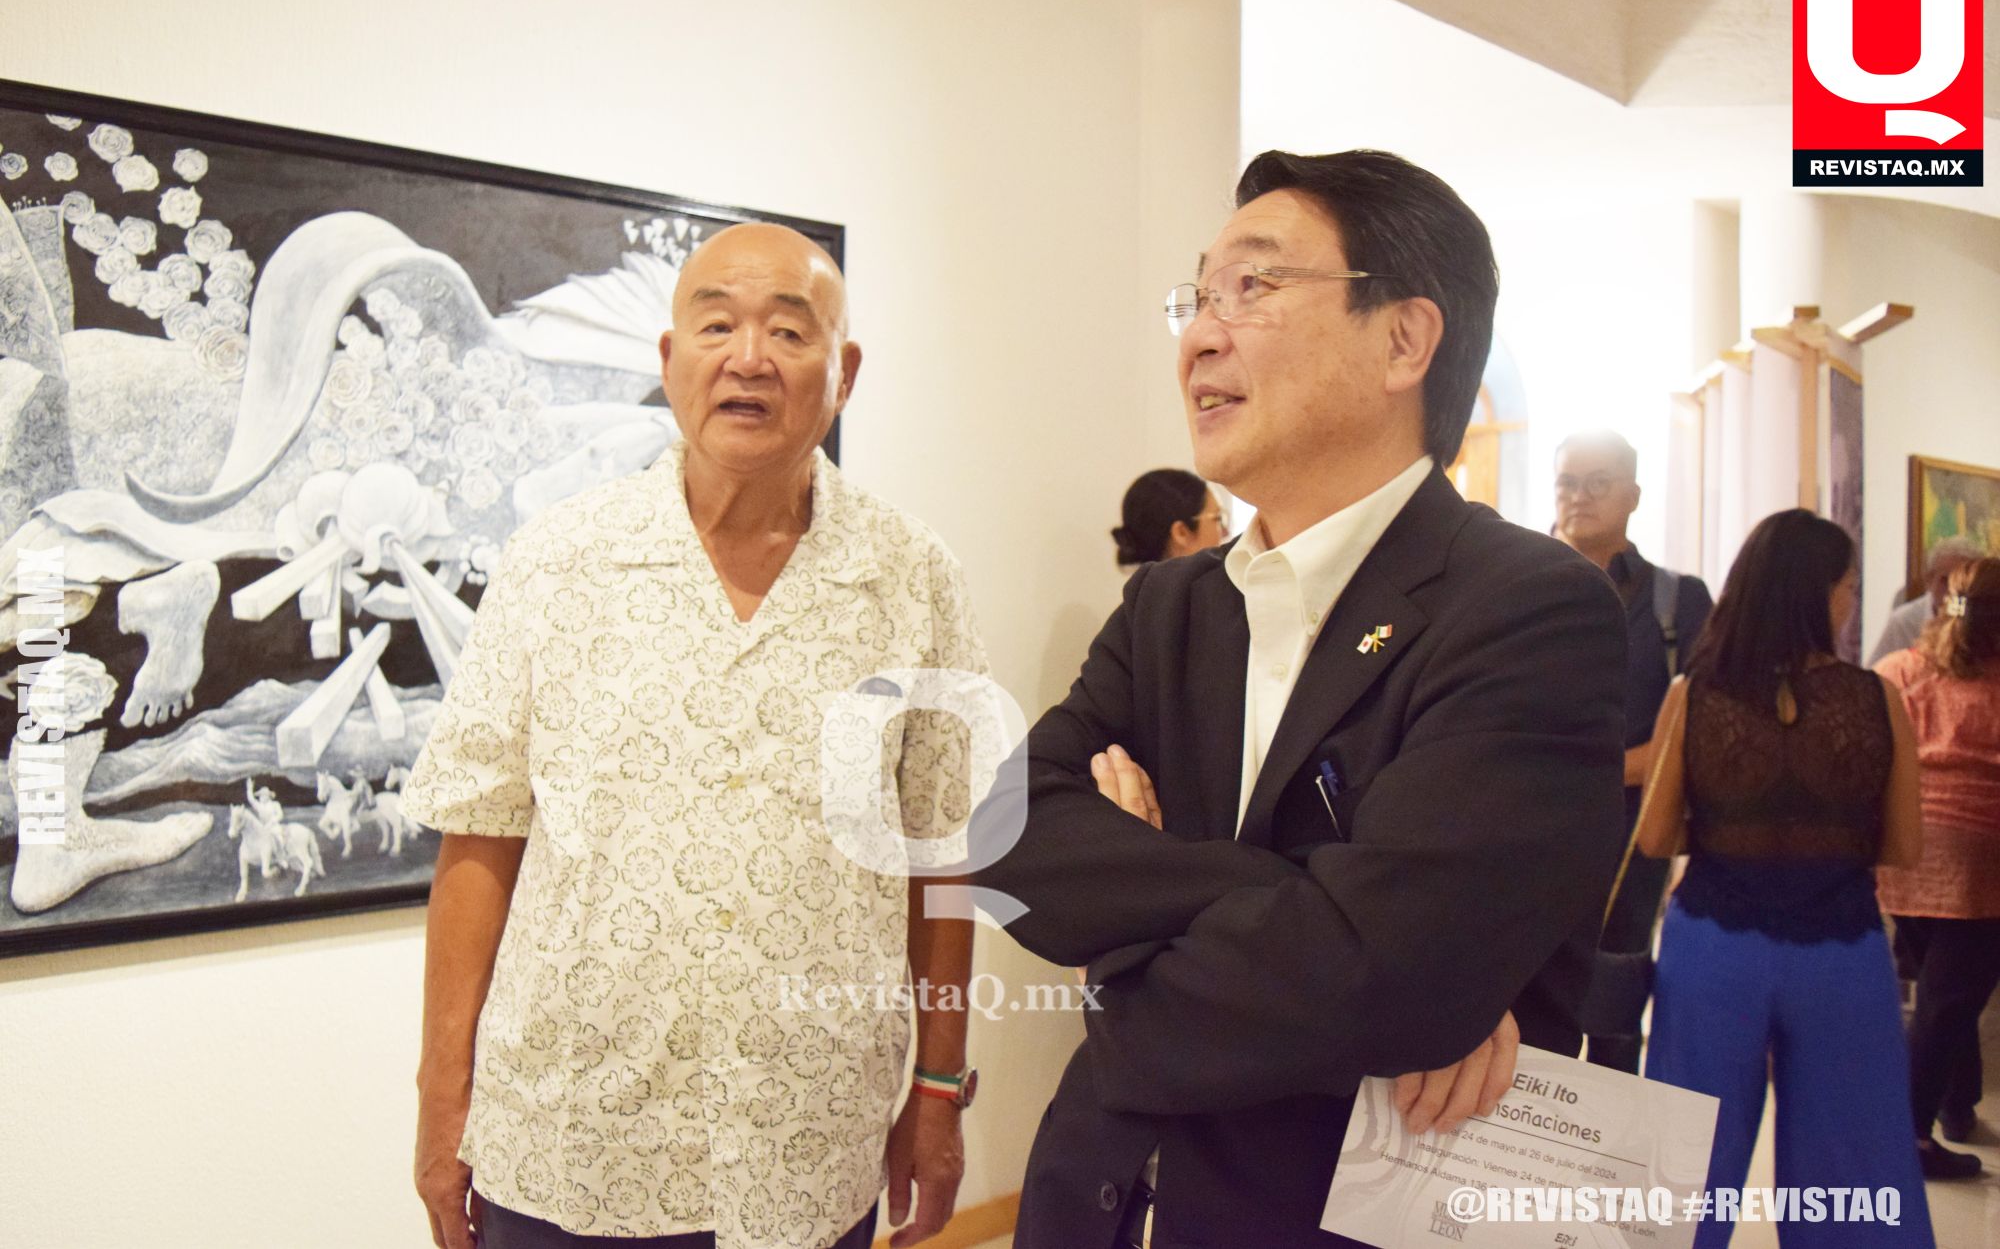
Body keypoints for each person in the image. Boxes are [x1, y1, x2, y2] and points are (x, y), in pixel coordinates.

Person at [973, 149, 1627, 1249]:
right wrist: (1304, 898)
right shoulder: (1172, 605)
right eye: (1197, 296)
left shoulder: (1527, 609)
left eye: (1254, 287)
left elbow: (1373, 980)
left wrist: (1119, 959)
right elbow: (1008, 834)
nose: (1199, 335)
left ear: (1402, 340)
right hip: (1098, 1199)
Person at [405, 223, 985, 1249]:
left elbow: (943, 855)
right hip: (569, 1137)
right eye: (715, 324)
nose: (748, 357)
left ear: (842, 372)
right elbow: (478, 837)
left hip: (808, 1144)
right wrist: (441, 1100)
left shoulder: (912, 578)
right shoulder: (555, 563)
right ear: (670, 363)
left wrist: (937, 1089)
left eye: (789, 331)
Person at [1637, 509, 1931, 1245]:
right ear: (1820, 594)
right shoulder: (1876, 699)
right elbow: (1902, 845)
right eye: (1849, 585)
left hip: (1714, 944)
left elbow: (1652, 836)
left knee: (1687, 1160)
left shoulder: (1693, 693)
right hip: (1842, 946)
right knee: (1854, 1166)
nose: (1851, 599)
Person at [1551, 429, 1713, 1073]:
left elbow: (1703, 715)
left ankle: (1604, 1164)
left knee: (1616, 1001)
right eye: (1567, 482)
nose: (1580, 497)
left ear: (1634, 495)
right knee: (1525, 998)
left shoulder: (1678, 602)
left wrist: (1615, 770)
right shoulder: (1511, 584)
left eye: (1599, 482)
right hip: (1529, 830)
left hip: (1631, 836)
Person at [1876, 556, 2000, 1178]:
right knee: (1950, 1003)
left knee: (1939, 991)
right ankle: (1911, 1138)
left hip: (1903, 856)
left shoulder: (1899, 671)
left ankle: (1955, 1108)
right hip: (1980, 863)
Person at [1868, 536, 1983, 666]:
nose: (1953, 591)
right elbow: (1874, 676)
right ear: (1929, 580)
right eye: (1945, 580)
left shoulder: (1984, 621)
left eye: (1963, 583)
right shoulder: (1904, 622)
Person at [1111, 469, 1225, 567]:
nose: (1225, 531)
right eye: (1218, 518)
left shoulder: (1140, 590)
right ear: (1181, 533)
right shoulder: (1209, 591)